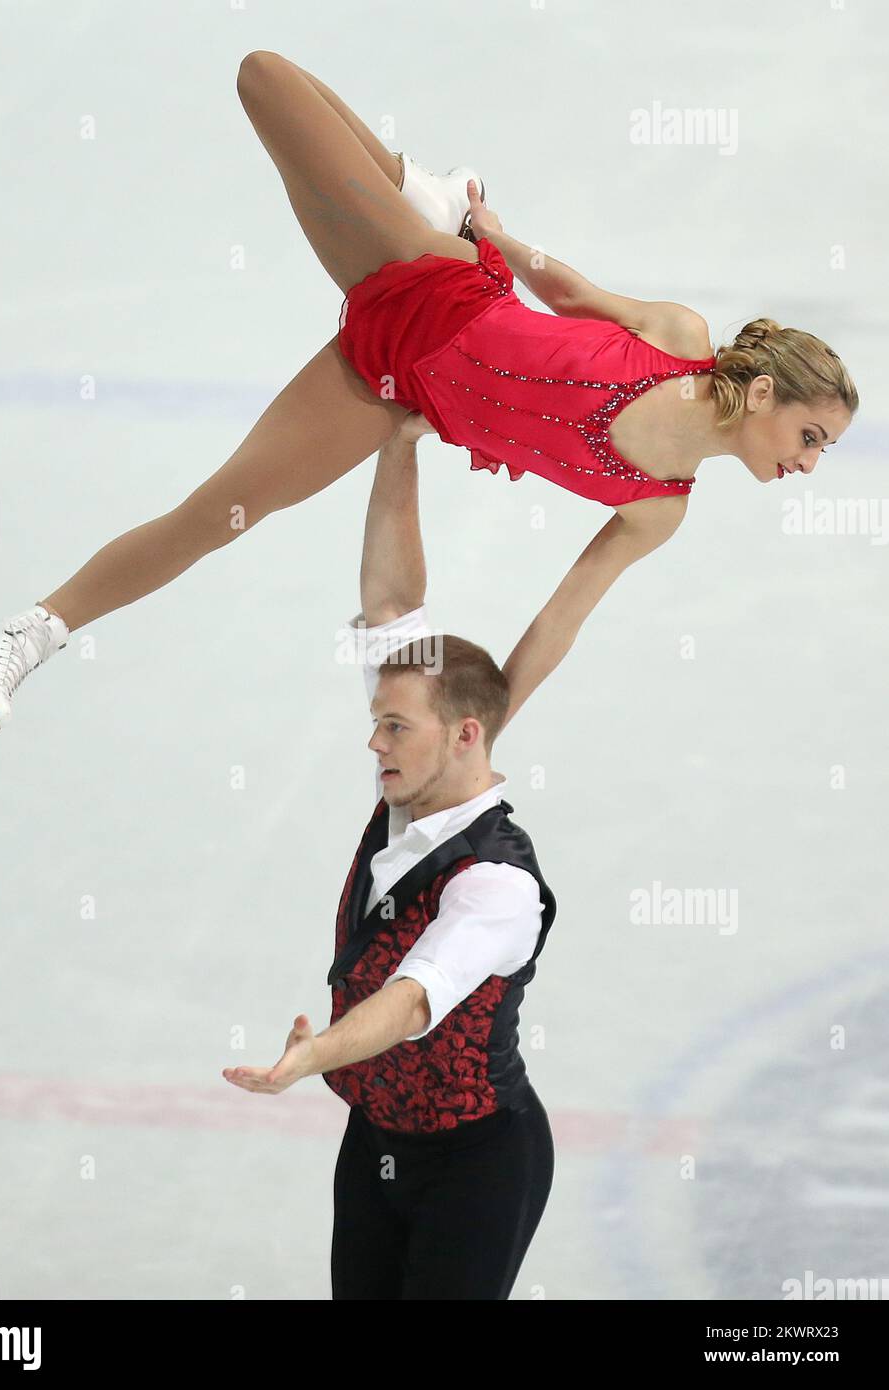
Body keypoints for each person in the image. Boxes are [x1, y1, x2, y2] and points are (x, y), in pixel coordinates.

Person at [0, 50, 859, 738]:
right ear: (767, 390)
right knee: (264, 80)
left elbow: (559, 618)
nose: (808, 463)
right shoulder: (680, 341)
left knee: (218, 513)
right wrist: (488, 227)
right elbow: (571, 295)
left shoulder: (657, 511)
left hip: (394, 387)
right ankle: (426, 191)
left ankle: (20, 638)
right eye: (812, 435)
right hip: (429, 281)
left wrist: (481, 735)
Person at [223, 407, 557, 1299]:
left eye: (394, 727)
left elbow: (411, 1002)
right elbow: (391, 608)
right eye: (377, 723)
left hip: (477, 1167)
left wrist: (319, 1052)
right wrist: (398, 443)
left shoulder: (495, 883)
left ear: (465, 735)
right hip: (373, 1144)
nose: (375, 745)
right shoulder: (413, 797)